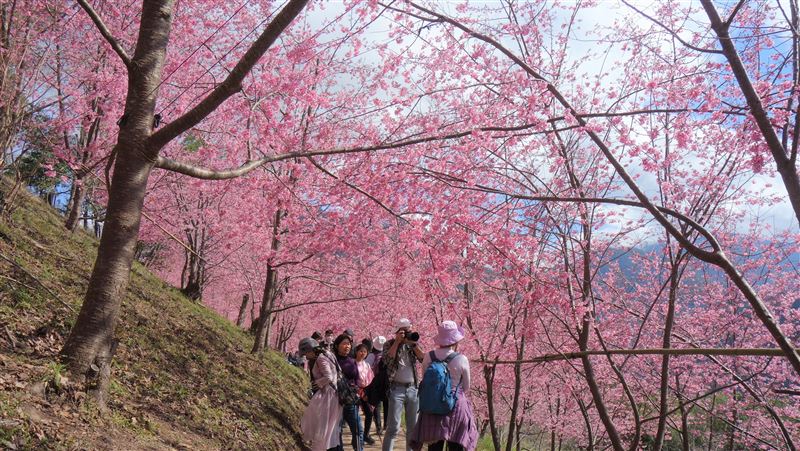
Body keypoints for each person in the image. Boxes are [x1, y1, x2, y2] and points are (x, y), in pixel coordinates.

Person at [409, 321, 477, 451]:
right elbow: (466, 387)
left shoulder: (428, 356)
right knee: (456, 446)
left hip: (432, 406)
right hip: (455, 406)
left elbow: (425, 380)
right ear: (455, 340)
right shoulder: (461, 359)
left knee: (434, 447)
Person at [383, 318, 425, 451]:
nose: (407, 333)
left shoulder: (413, 344)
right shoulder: (389, 344)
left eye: (409, 330)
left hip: (413, 388)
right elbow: (387, 360)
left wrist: (414, 345)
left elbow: (423, 359)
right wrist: (397, 342)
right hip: (396, 388)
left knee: (412, 428)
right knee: (393, 427)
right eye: (404, 331)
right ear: (398, 331)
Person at [299, 337, 343, 451]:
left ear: (311, 350)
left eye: (306, 353)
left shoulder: (321, 358)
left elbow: (328, 377)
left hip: (328, 396)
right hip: (334, 394)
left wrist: (316, 384)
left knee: (322, 426)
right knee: (330, 428)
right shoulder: (329, 354)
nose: (306, 356)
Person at [334, 334, 363, 451]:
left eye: (349, 344)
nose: (347, 346)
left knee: (358, 430)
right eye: (344, 343)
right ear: (337, 345)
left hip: (351, 400)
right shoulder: (333, 360)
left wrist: (357, 389)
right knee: (338, 431)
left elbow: (356, 378)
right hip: (336, 400)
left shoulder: (352, 361)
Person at [355, 344, 376, 445]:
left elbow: (371, 377)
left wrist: (368, 392)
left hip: (366, 391)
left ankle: (366, 434)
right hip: (355, 391)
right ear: (356, 352)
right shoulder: (353, 364)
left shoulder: (366, 365)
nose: (363, 353)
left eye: (365, 352)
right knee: (355, 415)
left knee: (369, 413)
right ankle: (357, 436)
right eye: (361, 351)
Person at [366, 336, 387, 434]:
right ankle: (386, 424)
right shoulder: (387, 354)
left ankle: (378, 427)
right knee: (387, 403)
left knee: (376, 405)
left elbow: (367, 367)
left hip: (375, 381)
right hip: (386, 381)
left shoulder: (371, 355)